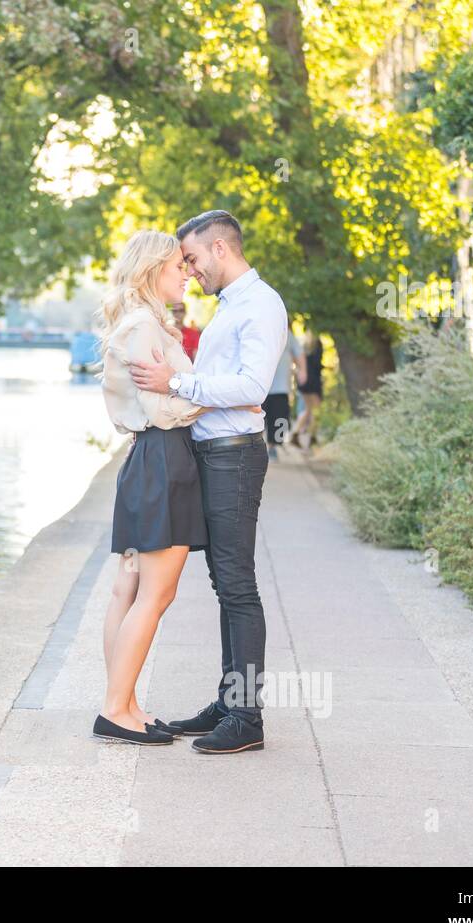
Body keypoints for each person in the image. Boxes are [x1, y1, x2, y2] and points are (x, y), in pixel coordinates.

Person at [128, 209, 287, 755]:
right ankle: (229, 700)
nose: (190, 271)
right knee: (225, 582)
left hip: (235, 456)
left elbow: (250, 388)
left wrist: (176, 381)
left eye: (193, 259)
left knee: (237, 583)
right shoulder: (231, 307)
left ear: (221, 249)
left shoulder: (261, 305)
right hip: (214, 453)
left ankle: (246, 717)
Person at [95, 229, 260, 746]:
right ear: (151, 273)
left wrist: (198, 393)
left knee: (130, 588)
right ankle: (115, 710)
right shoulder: (144, 327)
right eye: (176, 267)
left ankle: (125, 705)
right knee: (155, 594)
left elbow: (158, 400)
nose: (187, 273)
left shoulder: (139, 324)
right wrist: (219, 401)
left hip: (151, 460)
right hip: (163, 457)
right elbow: (162, 408)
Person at [264, 332, 304, 460]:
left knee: (279, 418)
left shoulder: (287, 334)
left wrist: (303, 370)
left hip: (280, 387)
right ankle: (258, 446)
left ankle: (273, 446)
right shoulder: (256, 327)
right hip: (259, 386)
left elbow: (299, 353)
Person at [290, 332, 324, 450]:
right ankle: (312, 437)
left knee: (309, 410)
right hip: (313, 382)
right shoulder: (317, 346)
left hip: (304, 382)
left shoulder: (302, 346)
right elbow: (317, 364)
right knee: (316, 411)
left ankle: (295, 433)